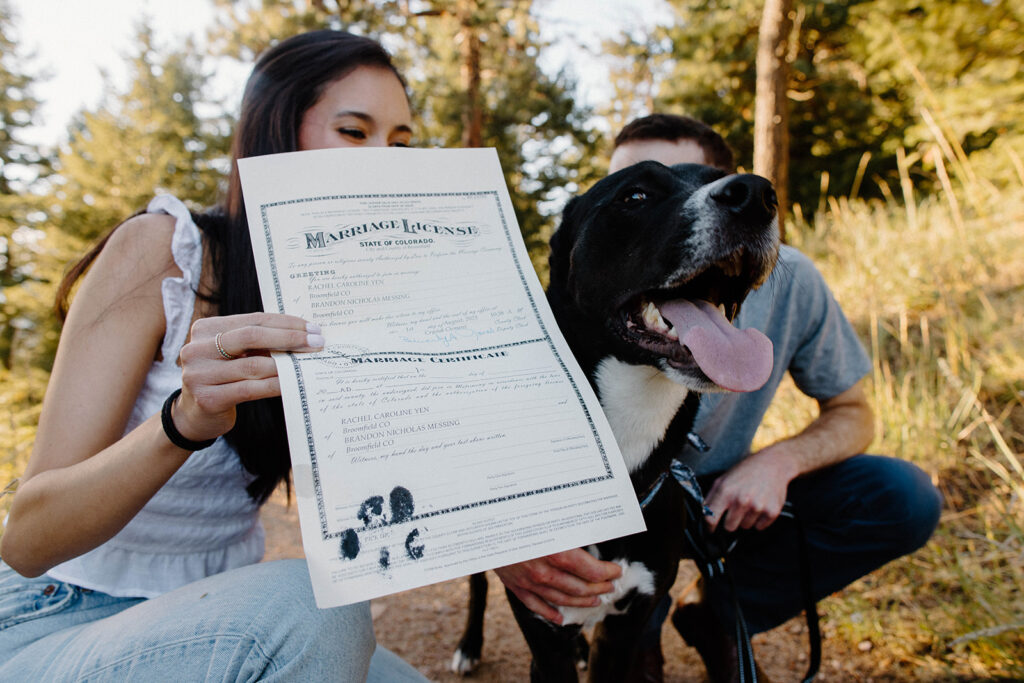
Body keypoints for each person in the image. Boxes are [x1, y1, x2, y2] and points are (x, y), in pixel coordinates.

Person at [0, 30, 427, 682]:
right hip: (54, 613)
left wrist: (507, 550)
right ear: (275, 137)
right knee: (314, 607)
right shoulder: (165, 251)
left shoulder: (352, 298)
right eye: (353, 131)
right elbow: (28, 538)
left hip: (203, 610)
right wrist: (183, 422)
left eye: (402, 144)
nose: (384, 161)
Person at [496, 113, 942, 682]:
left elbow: (855, 412)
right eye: (634, 194)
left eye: (706, 185)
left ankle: (719, 612)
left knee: (903, 494)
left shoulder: (792, 278)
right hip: (590, 491)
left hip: (715, 501)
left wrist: (779, 462)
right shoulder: (531, 331)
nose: (689, 200)